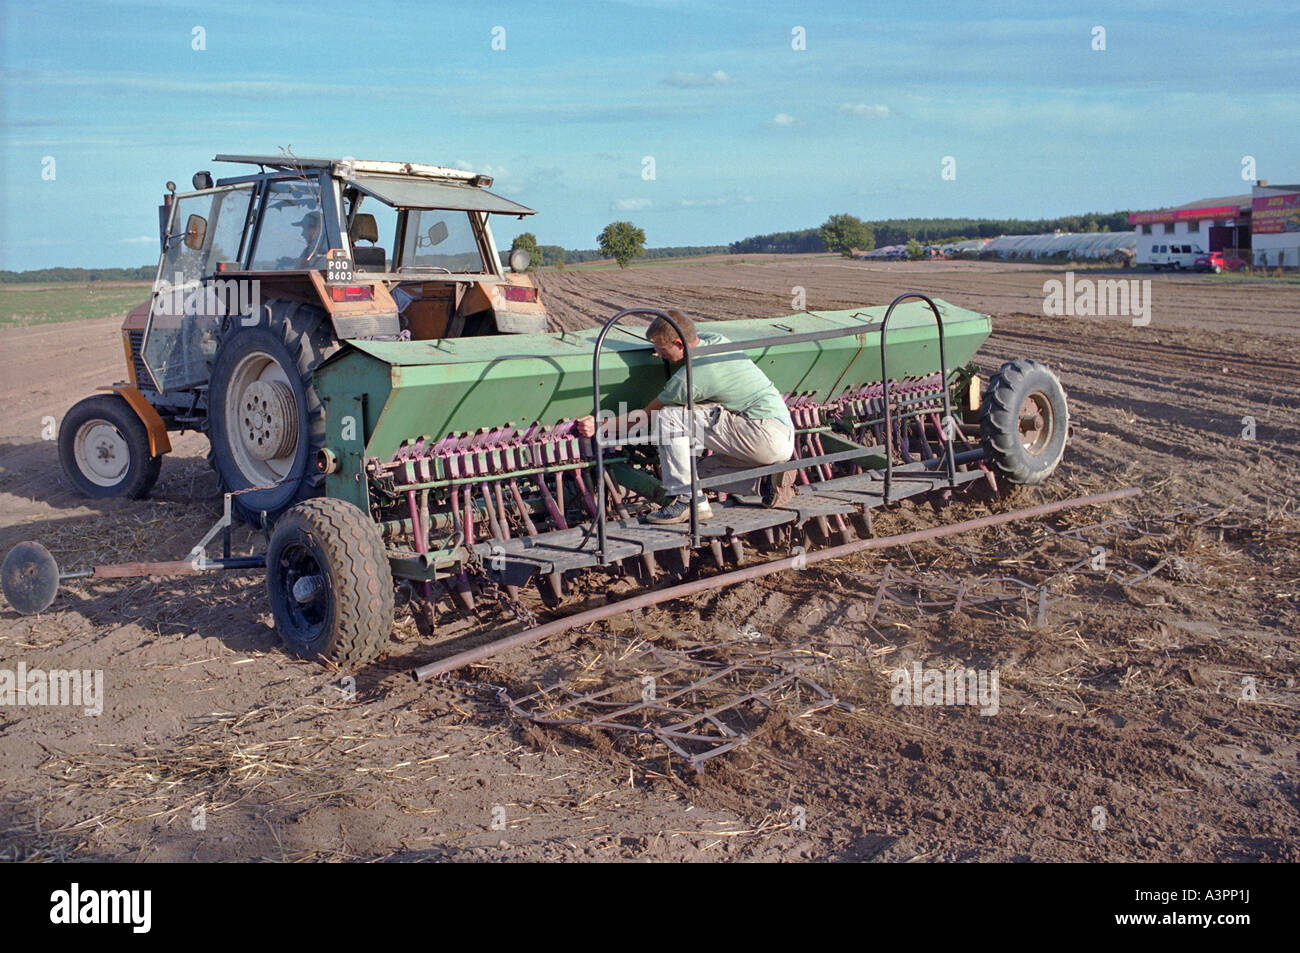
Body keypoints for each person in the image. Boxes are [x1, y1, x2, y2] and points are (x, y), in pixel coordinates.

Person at [576, 309, 797, 524]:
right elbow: (687, 330)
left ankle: (688, 500)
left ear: (679, 344)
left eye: (662, 349)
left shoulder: (689, 378)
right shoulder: (717, 340)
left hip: (762, 433)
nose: (658, 353)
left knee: (669, 416)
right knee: (696, 474)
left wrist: (600, 425)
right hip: (783, 433)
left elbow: (644, 417)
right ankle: (767, 482)